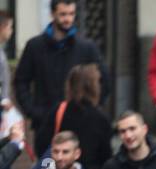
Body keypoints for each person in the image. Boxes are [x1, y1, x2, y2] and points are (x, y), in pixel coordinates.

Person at [12, 0, 109, 147]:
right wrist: (34, 112)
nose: (68, 19)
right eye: (63, 14)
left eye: (71, 14)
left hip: (80, 126)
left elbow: (104, 81)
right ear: (52, 14)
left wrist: (91, 110)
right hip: (45, 126)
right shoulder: (35, 46)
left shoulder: (87, 48)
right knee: (47, 168)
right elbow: (21, 82)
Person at [36, 63, 110, 169]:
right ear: (94, 87)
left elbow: (41, 145)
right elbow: (105, 157)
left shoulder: (59, 111)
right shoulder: (100, 119)